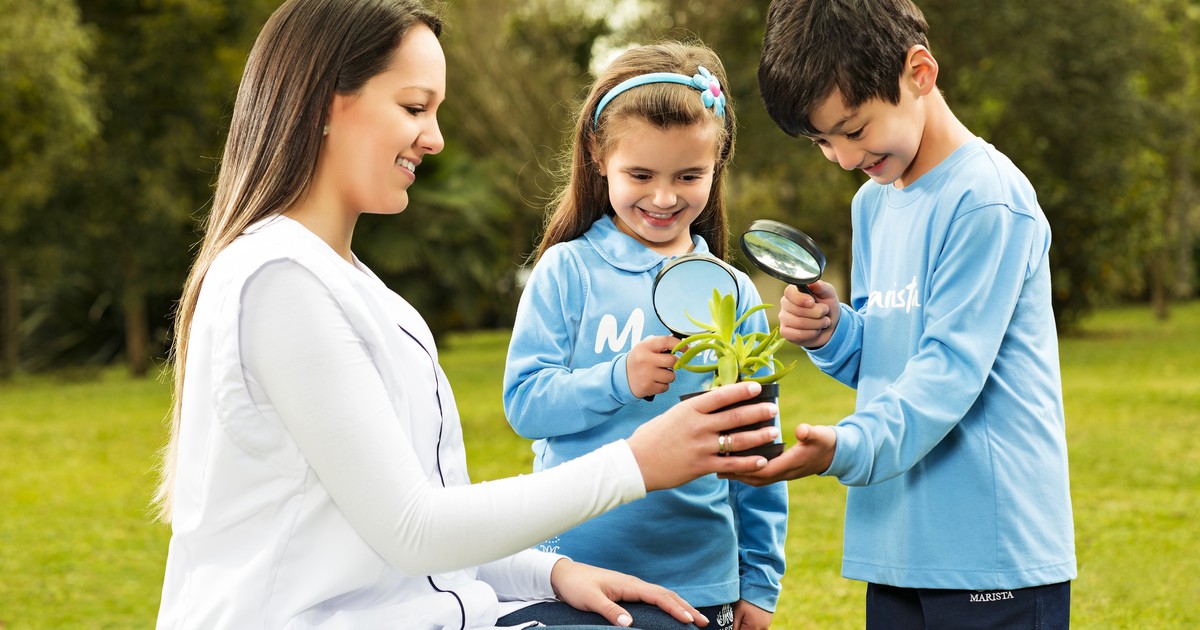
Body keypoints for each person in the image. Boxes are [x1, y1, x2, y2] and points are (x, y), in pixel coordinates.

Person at [151, 1, 784, 628]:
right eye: (413, 107)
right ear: (325, 105)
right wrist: (637, 464)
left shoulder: (358, 290)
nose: (435, 136)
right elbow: (415, 531)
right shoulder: (281, 281)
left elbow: (430, 524)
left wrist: (552, 573)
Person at [729, 1, 1077, 628]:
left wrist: (845, 446)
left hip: (989, 553)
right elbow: (894, 358)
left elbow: (946, 374)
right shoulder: (874, 204)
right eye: (821, 141)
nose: (839, 156)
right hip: (896, 548)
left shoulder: (987, 201)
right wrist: (837, 334)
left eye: (853, 129)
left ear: (919, 72)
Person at [502, 43, 788, 630]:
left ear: (717, 166)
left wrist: (759, 580)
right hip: (575, 576)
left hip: (699, 583)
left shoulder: (734, 294)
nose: (664, 198)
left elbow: (755, 448)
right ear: (598, 157)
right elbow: (525, 404)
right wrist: (619, 379)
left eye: (689, 176)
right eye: (640, 175)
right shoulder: (567, 271)